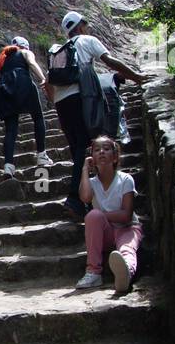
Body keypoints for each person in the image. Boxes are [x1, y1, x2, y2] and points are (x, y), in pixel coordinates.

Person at [43, 11, 142, 219]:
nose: (87, 28)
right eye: (85, 25)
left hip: (62, 102)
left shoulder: (61, 51)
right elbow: (110, 61)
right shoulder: (87, 40)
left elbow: (47, 83)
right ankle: (74, 199)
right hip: (81, 98)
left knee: (77, 149)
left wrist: (55, 103)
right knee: (86, 144)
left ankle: (85, 197)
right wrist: (137, 77)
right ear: (80, 27)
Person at [75, 134, 143, 294]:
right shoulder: (91, 183)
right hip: (106, 233)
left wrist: (102, 215)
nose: (101, 152)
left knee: (127, 249)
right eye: (97, 150)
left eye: (106, 149)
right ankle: (93, 272)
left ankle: (124, 274)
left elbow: (126, 215)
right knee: (92, 216)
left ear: (114, 157)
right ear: (92, 158)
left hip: (127, 229)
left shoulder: (126, 179)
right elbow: (85, 197)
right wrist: (85, 169)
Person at [0, 35, 53, 178]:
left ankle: (8, 166)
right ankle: (41, 154)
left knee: (11, 128)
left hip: (4, 88)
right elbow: (32, 64)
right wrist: (44, 80)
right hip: (22, 82)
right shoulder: (25, 52)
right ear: (25, 46)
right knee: (38, 117)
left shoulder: (3, 60)